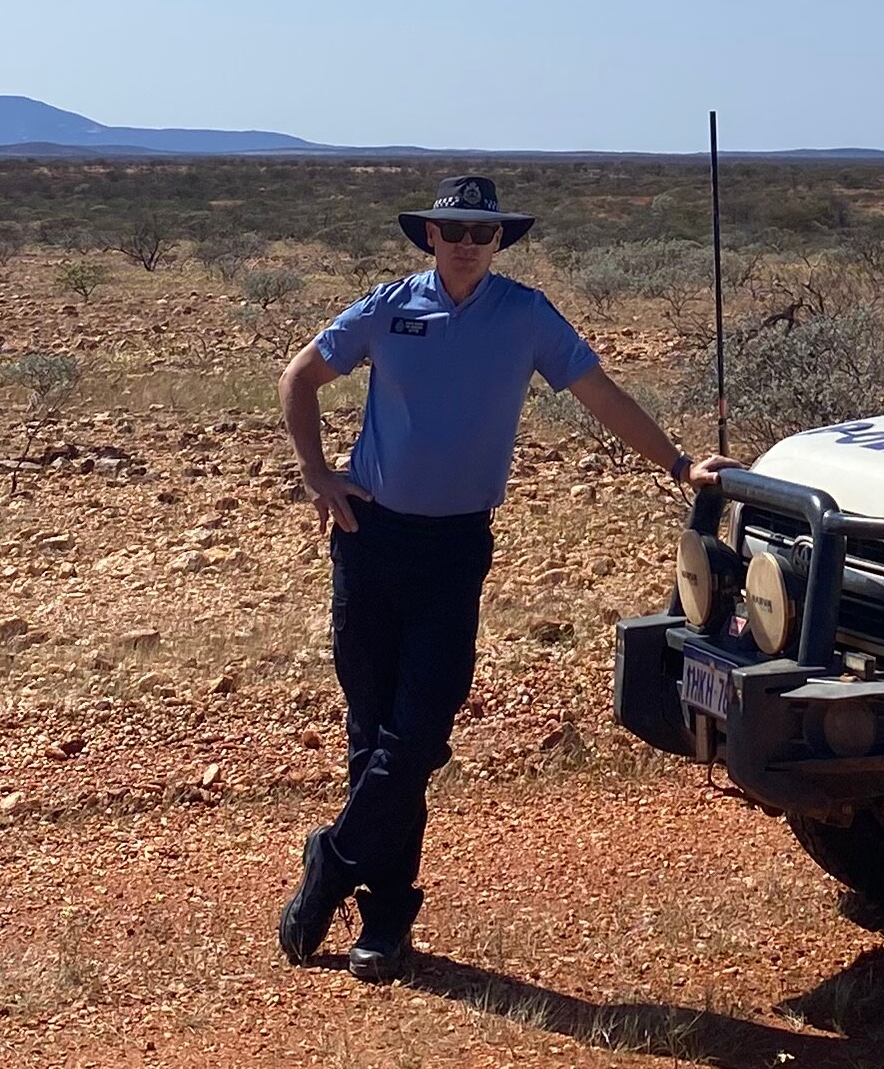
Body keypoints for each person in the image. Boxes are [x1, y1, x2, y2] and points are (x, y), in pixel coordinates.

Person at [276, 173, 711, 979]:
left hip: (454, 551)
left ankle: (332, 862)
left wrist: (680, 464)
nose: (470, 243)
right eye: (455, 231)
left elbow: (600, 395)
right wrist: (316, 473)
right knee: (372, 735)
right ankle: (386, 921)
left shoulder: (527, 317)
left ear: (499, 241)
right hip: (369, 539)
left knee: (418, 734)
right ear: (430, 238)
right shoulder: (386, 307)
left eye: (485, 231)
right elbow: (298, 377)